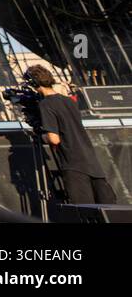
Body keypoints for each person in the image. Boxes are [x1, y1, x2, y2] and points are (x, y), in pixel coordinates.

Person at [29, 65, 118, 206]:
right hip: (92, 162)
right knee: (107, 209)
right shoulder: (69, 101)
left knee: (83, 211)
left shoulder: (46, 104)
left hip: (73, 165)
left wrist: (41, 136)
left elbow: (54, 138)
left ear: (34, 83)